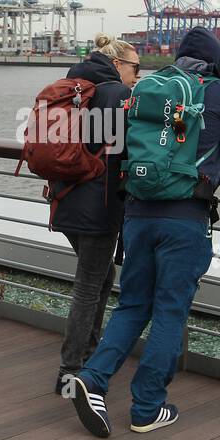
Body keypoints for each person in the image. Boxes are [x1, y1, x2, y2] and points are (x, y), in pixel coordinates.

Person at [67, 26, 220, 435]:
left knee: (133, 304)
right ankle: (147, 407)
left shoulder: (150, 86)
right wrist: (218, 151)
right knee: (169, 309)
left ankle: (93, 377)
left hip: (137, 212)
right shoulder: (219, 91)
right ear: (219, 63)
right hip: (183, 217)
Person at [50, 34, 140, 396]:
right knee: (89, 285)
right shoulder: (116, 95)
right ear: (117, 65)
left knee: (101, 277)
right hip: (98, 205)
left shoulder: (71, 87)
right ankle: (70, 371)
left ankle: (88, 353)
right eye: (136, 67)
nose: (139, 74)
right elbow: (120, 148)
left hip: (65, 198)